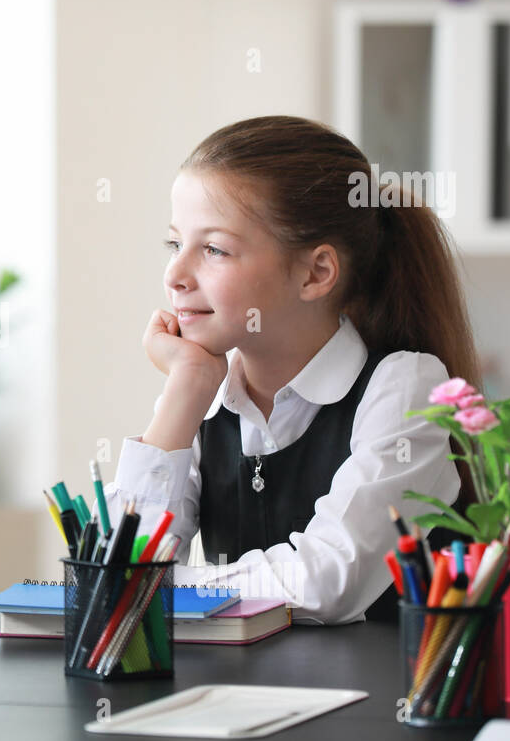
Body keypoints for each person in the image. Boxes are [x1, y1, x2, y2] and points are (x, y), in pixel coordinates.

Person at [101, 115, 479, 624]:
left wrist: (154, 586)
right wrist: (185, 388)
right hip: (233, 701)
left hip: (381, 702)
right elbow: (112, 583)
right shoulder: (201, 391)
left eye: (213, 249)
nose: (174, 275)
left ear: (316, 272)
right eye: (175, 244)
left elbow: (326, 583)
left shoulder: (406, 387)